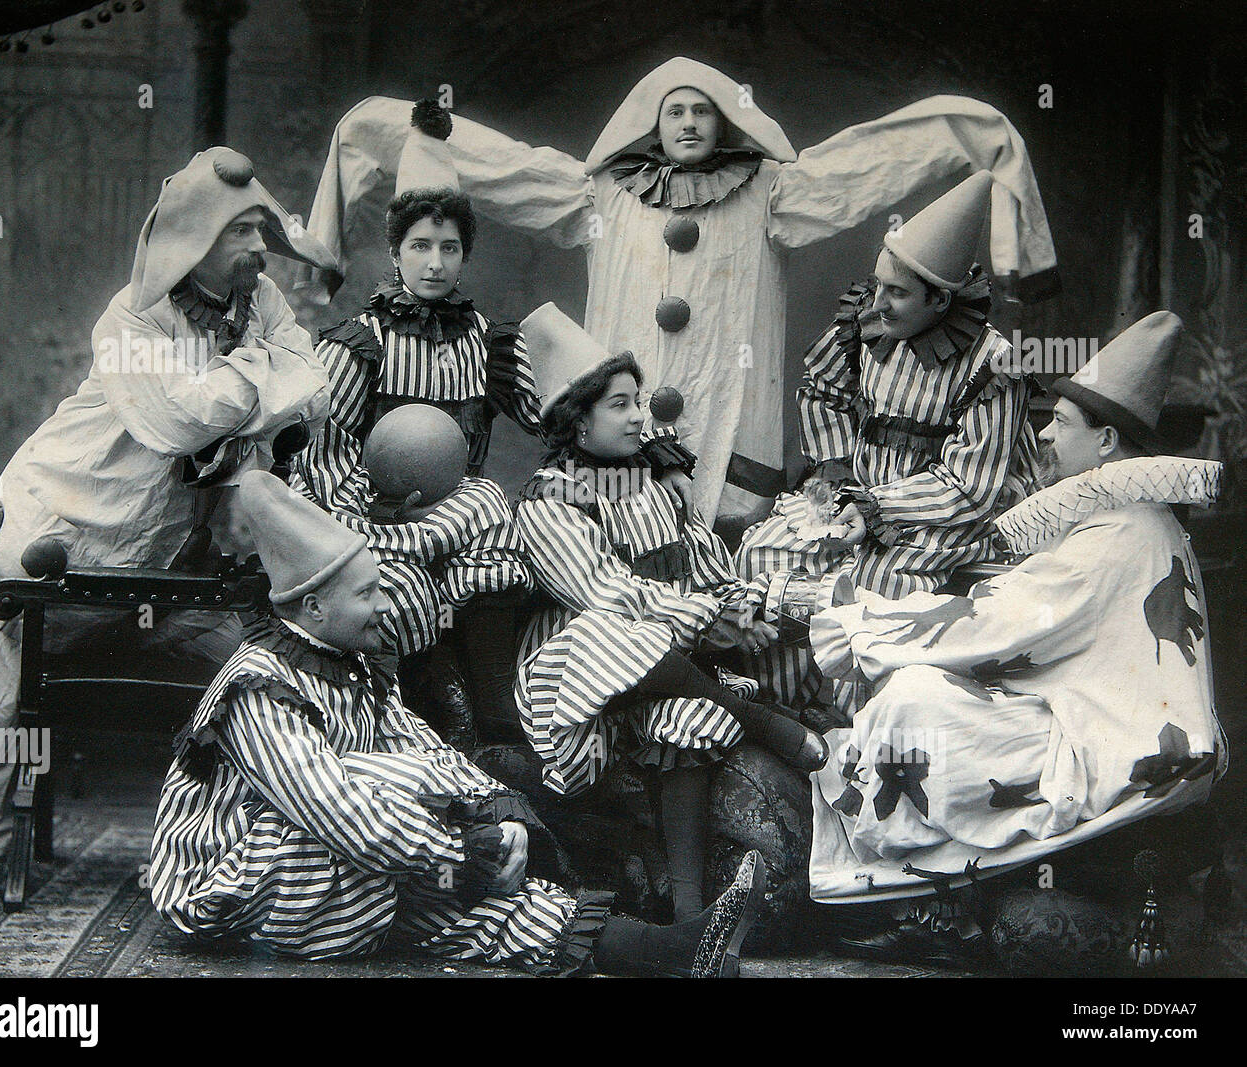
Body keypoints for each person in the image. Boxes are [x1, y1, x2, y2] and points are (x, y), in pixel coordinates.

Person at [306, 58, 1058, 532]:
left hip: (734, 407)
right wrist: (426, 133)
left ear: (726, 119)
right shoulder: (599, 192)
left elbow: (872, 161)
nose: (691, 123)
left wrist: (975, 133)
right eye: (676, 112)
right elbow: (507, 168)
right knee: (627, 536)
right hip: (624, 426)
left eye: (702, 111)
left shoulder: (771, 191)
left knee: (728, 541)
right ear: (652, 124)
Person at [150, 470, 769, 977]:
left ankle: (675, 955)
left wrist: (496, 810)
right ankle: (652, 943)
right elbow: (334, 806)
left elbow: (421, 745)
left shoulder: (353, 663)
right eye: (367, 594)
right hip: (234, 877)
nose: (386, 605)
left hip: (342, 849)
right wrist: (463, 848)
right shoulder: (259, 686)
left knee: (448, 882)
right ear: (312, 606)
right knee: (400, 826)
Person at [0, 148, 336, 901]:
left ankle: (265, 840)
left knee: (247, 664)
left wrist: (244, 376)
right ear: (194, 240)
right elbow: (179, 422)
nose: (260, 249)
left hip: (156, 557)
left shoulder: (262, 306)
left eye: (261, 229)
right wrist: (263, 373)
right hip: (56, 523)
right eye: (241, 232)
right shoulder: (127, 320)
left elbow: (313, 384)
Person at [804, 312, 1226, 907]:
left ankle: (921, 880)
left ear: (1106, 441)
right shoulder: (1129, 517)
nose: (1045, 437)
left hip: (1107, 745)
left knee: (915, 701)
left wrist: (858, 622)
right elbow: (1025, 603)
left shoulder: (1122, 531)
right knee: (919, 695)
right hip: (1092, 717)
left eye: (1058, 421)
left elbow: (1005, 620)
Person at [512, 304, 827, 923]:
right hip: (584, 674)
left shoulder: (657, 486)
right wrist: (705, 617)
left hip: (672, 665)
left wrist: (739, 607)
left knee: (692, 720)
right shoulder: (550, 502)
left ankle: (688, 918)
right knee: (613, 626)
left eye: (638, 400)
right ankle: (761, 721)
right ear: (577, 425)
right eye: (619, 406)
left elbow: (709, 568)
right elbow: (607, 594)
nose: (639, 417)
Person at [291, 101, 552, 742]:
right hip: (372, 519)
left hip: (461, 521)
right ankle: (421, 720)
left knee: (503, 550)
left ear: (466, 254)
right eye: (420, 247)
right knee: (402, 590)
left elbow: (549, 414)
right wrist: (375, 509)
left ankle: (495, 717)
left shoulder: (490, 340)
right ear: (395, 250)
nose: (434, 264)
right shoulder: (360, 342)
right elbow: (325, 450)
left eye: (449, 248)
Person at [737, 171, 1038, 706]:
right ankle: (786, 709)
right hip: (858, 495)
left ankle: (860, 736)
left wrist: (879, 508)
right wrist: (837, 471)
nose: (878, 303)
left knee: (872, 588)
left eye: (897, 292)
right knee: (763, 552)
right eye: (878, 284)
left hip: (941, 519)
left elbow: (973, 488)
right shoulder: (870, 325)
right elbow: (822, 386)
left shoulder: (994, 366)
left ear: (941, 301)